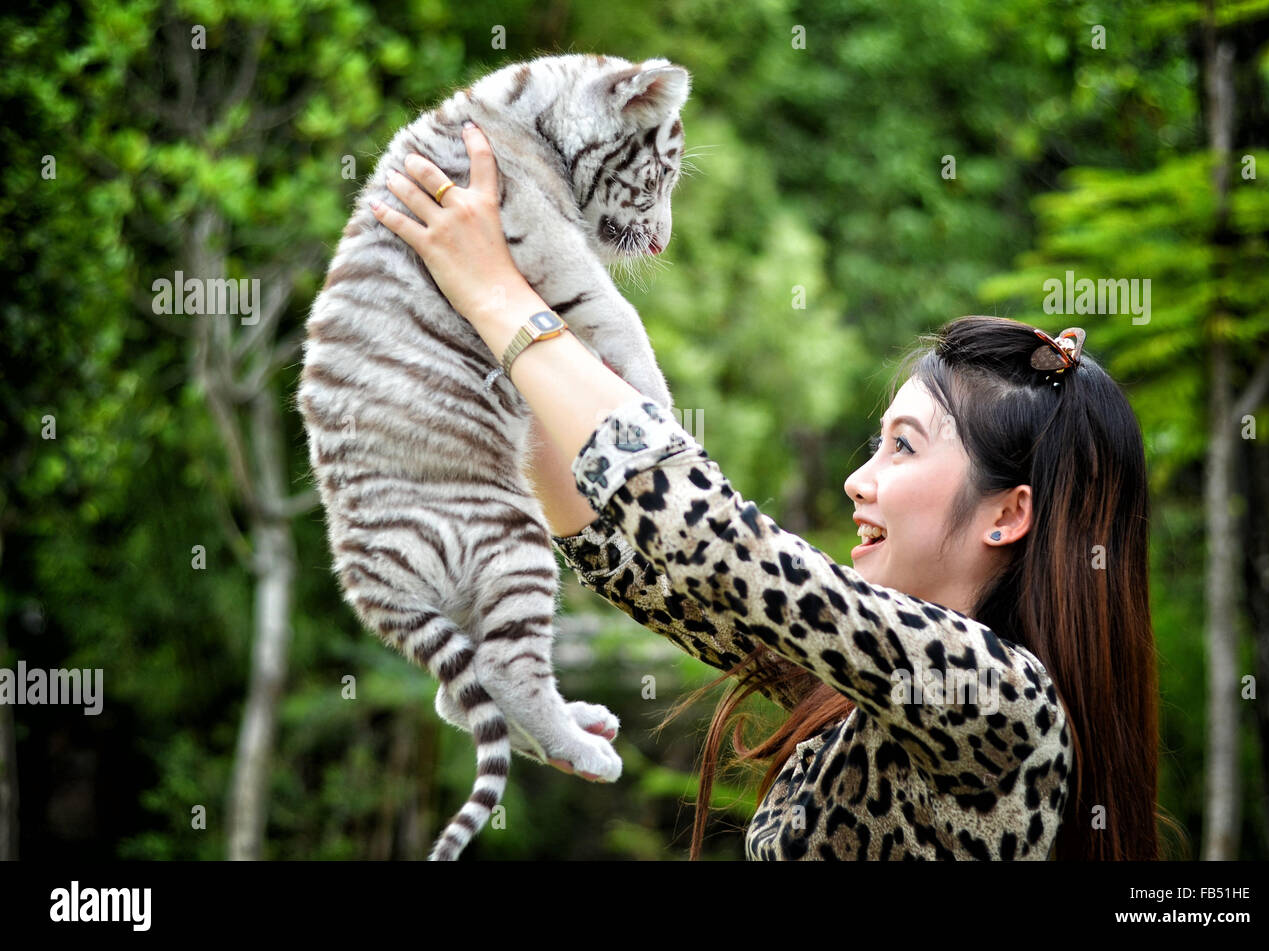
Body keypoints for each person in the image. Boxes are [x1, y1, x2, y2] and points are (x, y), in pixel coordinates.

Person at [370, 121, 1178, 860]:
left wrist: (499, 297)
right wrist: (493, 332)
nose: (861, 480)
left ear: (1009, 513)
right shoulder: (865, 692)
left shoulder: (1004, 703)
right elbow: (647, 570)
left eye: (903, 447)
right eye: (877, 442)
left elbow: (720, 549)